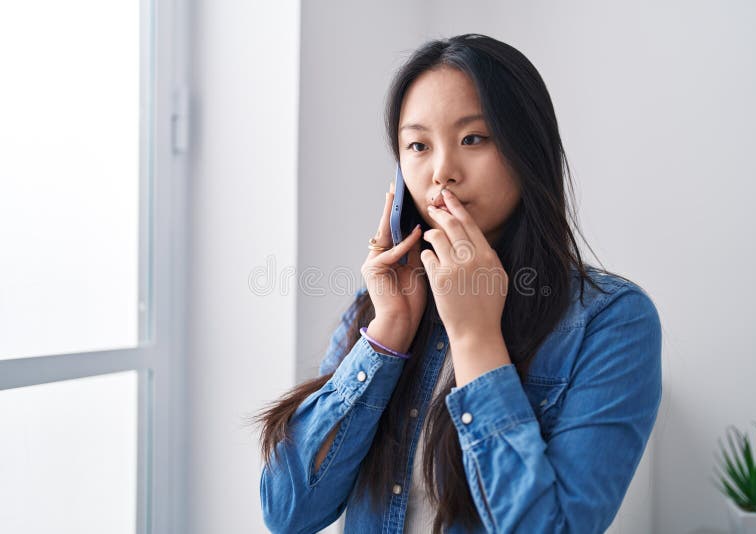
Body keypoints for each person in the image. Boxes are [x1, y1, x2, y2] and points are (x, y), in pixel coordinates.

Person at [254, 33, 662, 534]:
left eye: (473, 139)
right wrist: (389, 332)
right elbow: (288, 513)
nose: (441, 172)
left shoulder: (612, 321)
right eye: (418, 146)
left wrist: (476, 339)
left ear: (526, 150)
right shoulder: (382, 305)